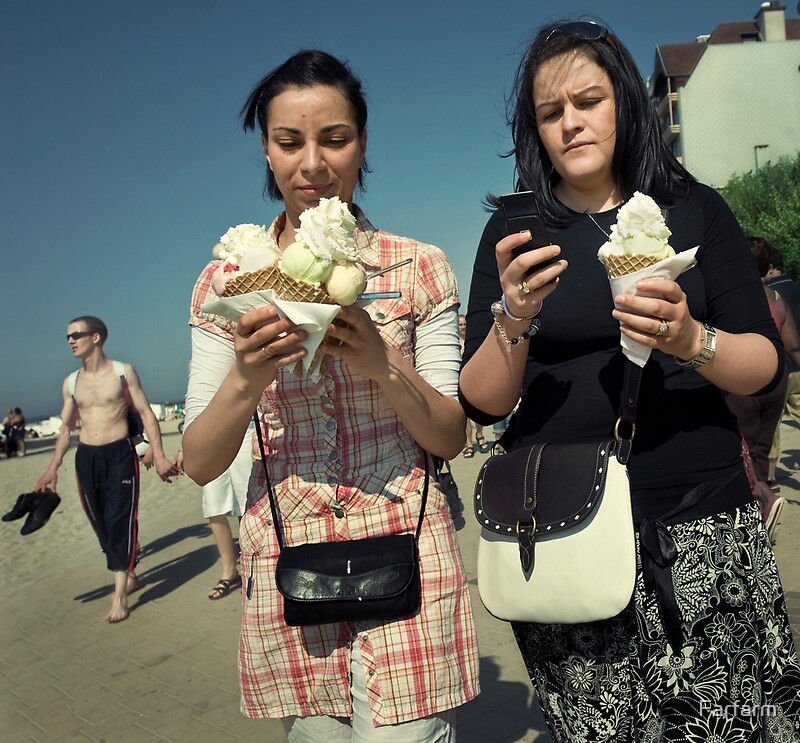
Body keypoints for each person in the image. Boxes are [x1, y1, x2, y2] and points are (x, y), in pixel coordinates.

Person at [459, 19, 800, 739]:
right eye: (551, 113)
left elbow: (764, 361)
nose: (571, 123)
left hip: (702, 521)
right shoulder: (515, 230)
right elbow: (482, 398)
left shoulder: (693, 208)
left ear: (624, 102)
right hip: (562, 528)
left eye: (588, 100)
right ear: (534, 128)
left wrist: (689, 338)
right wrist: (513, 318)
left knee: (735, 721)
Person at [181, 50, 479, 740]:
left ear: (363, 143)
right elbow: (199, 459)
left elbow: (448, 434)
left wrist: (382, 360)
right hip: (292, 565)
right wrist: (247, 375)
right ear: (267, 150)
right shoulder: (227, 282)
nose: (312, 162)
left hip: (409, 558)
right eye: (290, 142)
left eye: (334, 139)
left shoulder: (417, 267)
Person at [33, 316, 180, 623]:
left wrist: (161, 455)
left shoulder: (123, 373)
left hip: (119, 455)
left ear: (96, 337)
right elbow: (65, 430)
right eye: (68, 337)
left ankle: (120, 596)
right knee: (99, 521)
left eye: (76, 335)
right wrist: (52, 469)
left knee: (119, 518)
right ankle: (126, 566)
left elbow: (146, 414)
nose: (71, 341)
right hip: (86, 457)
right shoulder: (71, 383)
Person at [726, 236, 800, 543]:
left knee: (738, 447)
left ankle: (760, 507)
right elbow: (793, 346)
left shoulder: (729, 298)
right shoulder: (774, 297)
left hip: (740, 381)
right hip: (775, 382)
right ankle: (762, 505)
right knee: (758, 448)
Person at [766, 245, 800, 481]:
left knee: (771, 426)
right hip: (799, 366)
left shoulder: (769, 296)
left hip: (778, 369)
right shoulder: (797, 288)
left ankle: (769, 478)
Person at [458, 314, 488, 457]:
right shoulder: (455, 342)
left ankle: (480, 434)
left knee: (476, 410)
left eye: (465, 324)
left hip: (473, 377)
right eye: (460, 325)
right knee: (465, 415)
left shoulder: (472, 341)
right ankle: (469, 444)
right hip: (459, 378)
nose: (463, 327)